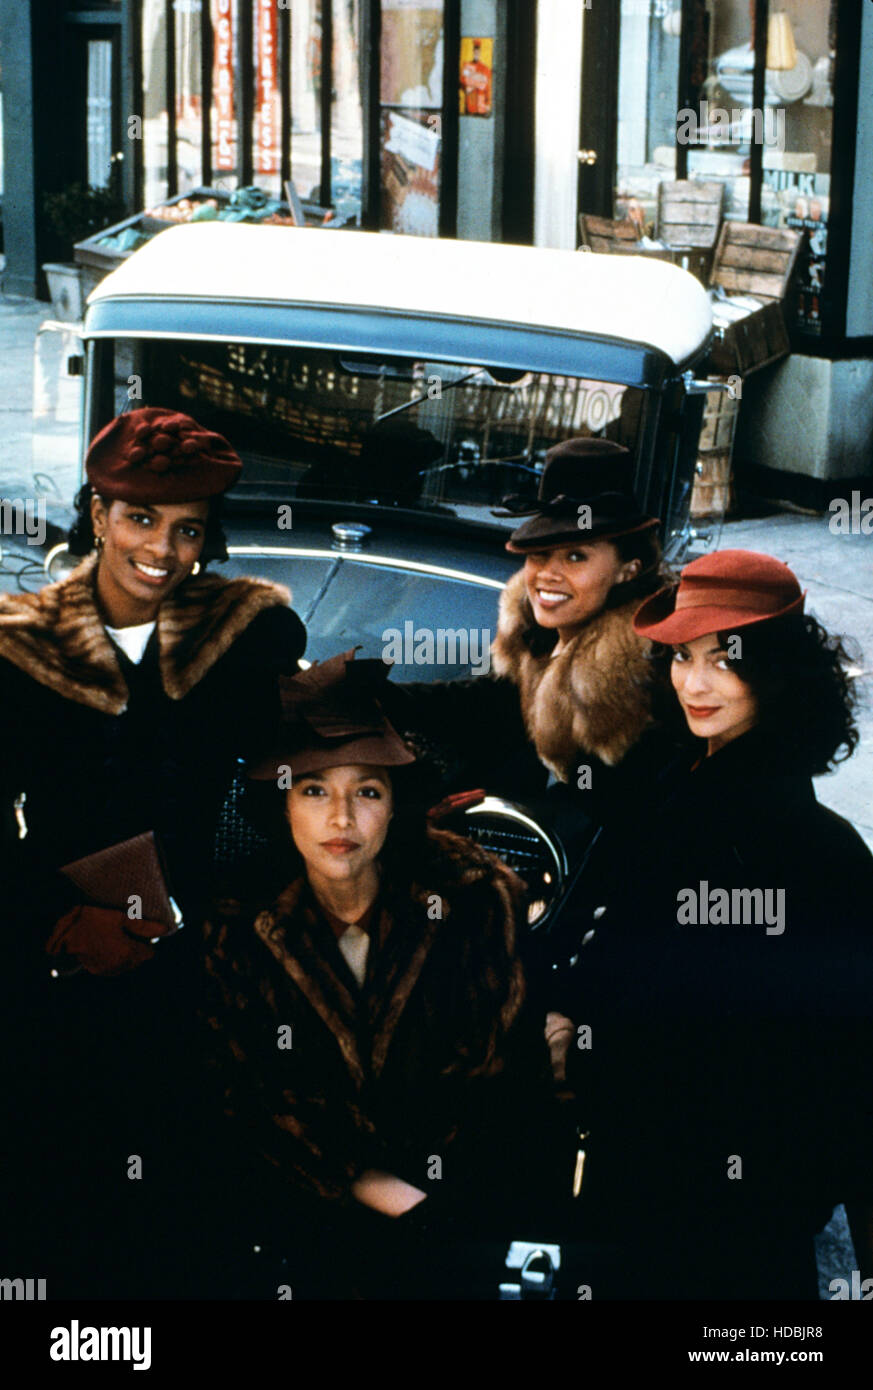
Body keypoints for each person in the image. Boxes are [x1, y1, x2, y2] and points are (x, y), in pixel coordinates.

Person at [0, 407, 306, 1297]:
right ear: (97, 515)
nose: (164, 551)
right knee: (55, 1196)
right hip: (55, 973)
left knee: (178, 1204)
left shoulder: (250, 636)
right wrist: (54, 920)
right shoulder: (18, 649)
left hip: (198, 969)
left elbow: (286, 771)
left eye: (188, 530)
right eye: (140, 519)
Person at [545, 550, 873, 1299]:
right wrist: (566, 1009)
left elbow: (827, 1074)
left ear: (777, 674)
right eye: (682, 658)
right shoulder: (674, 784)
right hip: (636, 1185)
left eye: (723, 661)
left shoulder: (809, 852)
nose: (694, 684)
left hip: (723, 1226)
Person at [201, 651, 562, 1299]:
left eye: (366, 790)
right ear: (280, 805)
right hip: (301, 1224)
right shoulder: (235, 920)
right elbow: (252, 1100)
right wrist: (390, 1196)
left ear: (397, 802)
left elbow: (510, 1084)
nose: (341, 819)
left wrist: (455, 1217)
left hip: (463, 1219)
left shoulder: (478, 899)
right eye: (314, 791)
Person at [383, 437, 684, 899]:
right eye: (540, 554)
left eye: (576, 556)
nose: (548, 574)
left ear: (629, 569)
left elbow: (617, 819)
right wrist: (373, 696)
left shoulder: (646, 681)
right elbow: (485, 703)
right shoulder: (538, 645)